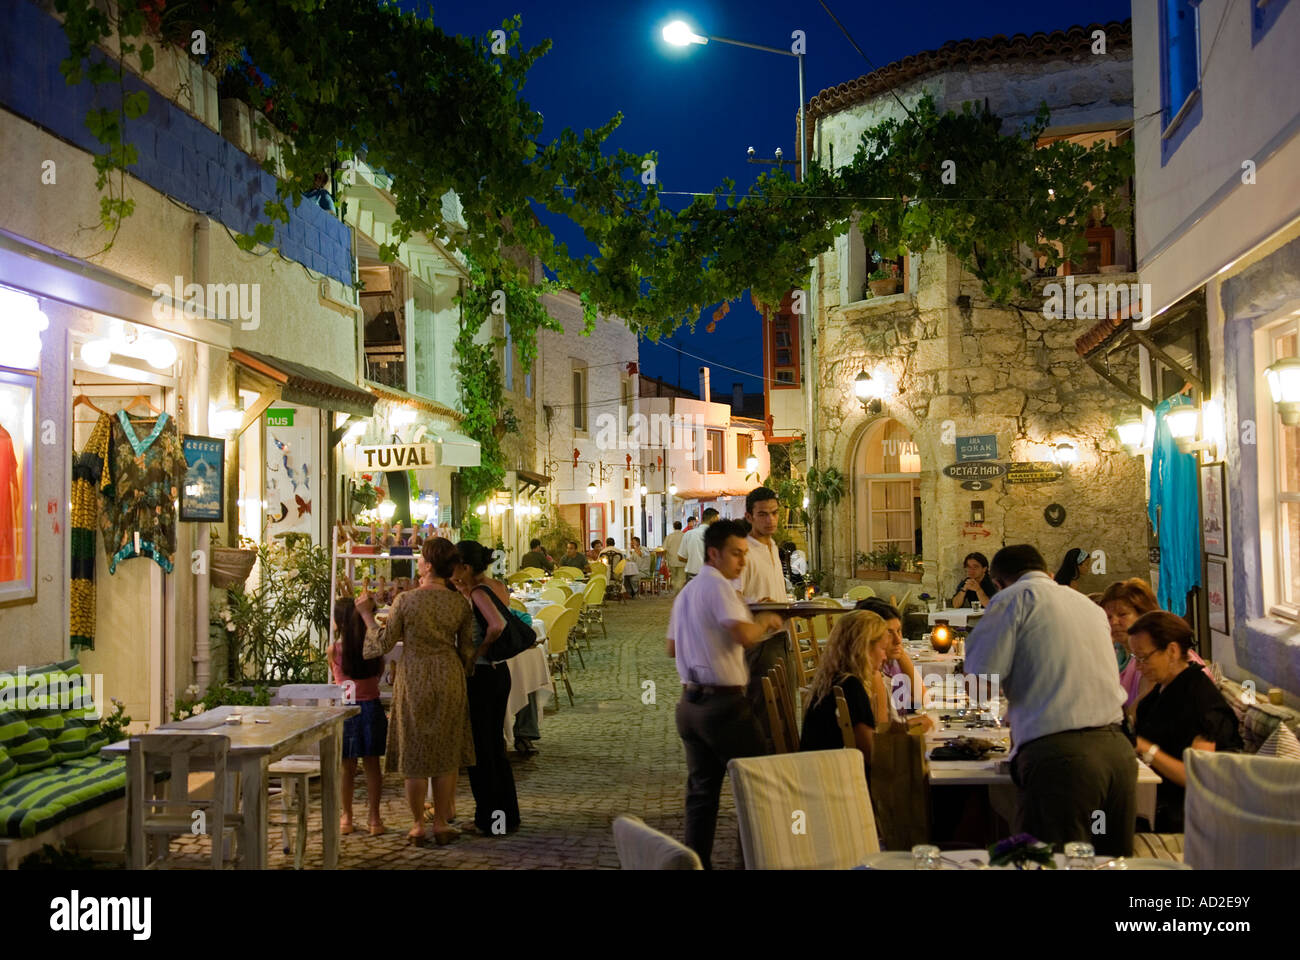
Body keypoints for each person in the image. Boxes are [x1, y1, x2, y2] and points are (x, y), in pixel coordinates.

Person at [965, 544, 1137, 857]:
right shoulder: (1087, 605)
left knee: (1050, 862)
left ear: (1000, 581)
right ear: (1047, 571)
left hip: (1063, 759)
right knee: (1111, 863)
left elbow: (980, 686)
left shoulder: (1011, 600)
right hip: (1118, 753)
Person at [666, 518, 786, 868]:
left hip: (690, 705)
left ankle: (697, 862)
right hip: (723, 706)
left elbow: (671, 647)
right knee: (758, 785)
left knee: (702, 797)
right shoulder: (719, 587)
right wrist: (766, 620)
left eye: (745, 554)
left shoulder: (687, 592)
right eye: (736, 554)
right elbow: (744, 636)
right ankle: (754, 861)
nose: (742, 562)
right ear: (714, 554)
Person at [356, 537, 474, 846]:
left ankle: (418, 824)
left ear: (429, 565)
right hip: (449, 674)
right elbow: (467, 651)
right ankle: (441, 823)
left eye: (421, 558)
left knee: (415, 751)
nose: (418, 562)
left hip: (416, 675)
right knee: (446, 752)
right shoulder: (460, 603)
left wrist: (367, 615)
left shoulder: (405, 601)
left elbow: (381, 644)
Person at [1129, 611, 1243, 832]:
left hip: (1189, 812)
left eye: (1143, 657)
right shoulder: (1160, 690)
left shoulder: (1201, 699)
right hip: (1158, 796)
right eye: (1135, 659)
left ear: (1171, 651)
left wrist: (1146, 748)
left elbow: (1197, 777)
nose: (1139, 666)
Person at [452, 540, 522, 836]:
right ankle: (506, 817)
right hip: (500, 673)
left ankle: (488, 820)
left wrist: (478, 651)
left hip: (482, 675)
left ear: (465, 567)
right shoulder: (496, 586)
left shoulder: (479, 591)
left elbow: (496, 625)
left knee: (482, 749)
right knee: (495, 746)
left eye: (456, 567)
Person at [799, 611, 888, 776]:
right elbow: (872, 754)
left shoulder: (832, 680)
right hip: (837, 782)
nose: (885, 656)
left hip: (814, 773)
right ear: (865, 647)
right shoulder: (851, 687)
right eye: (882, 648)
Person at [329, 598, 387, 837]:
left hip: (347, 709)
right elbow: (379, 673)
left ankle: (346, 817)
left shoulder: (335, 650)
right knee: (373, 765)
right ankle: (375, 818)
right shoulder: (372, 649)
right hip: (371, 708)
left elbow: (335, 678)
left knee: (347, 767)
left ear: (338, 622)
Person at [856, 597, 933, 732]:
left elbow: (922, 698)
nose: (898, 640)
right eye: (889, 633)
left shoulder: (890, 664)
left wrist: (901, 654)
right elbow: (882, 734)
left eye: (899, 631)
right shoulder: (871, 673)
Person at [678, 507, 719, 584]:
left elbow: (680, 557)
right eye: (717, 520)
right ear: (712, 519)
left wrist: (692, 559)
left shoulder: (688, 534)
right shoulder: (716, 536)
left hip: (691, 577)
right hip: (710, 577)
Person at [663, 521, 686, 591]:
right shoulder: (684, 536)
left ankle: (676, 591)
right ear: (681, 527)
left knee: (674, 577)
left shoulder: (669, 536)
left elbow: (664, 549)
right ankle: (679, 591)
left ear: (673, 527)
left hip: (672, 561)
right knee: (681, 578)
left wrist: (664, 559)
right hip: (682, 561)